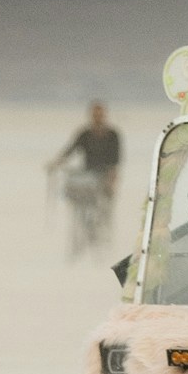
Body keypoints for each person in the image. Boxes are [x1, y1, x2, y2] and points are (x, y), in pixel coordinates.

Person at [49, 99, 126, 257]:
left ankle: (104, 239)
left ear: (104, 115)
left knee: (104, 210)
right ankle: (82, 238)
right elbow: (69, 151)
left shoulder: (113, 135)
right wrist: (55, 164)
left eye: (100, 114)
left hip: (105, 177)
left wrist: (112, 179)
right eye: (94, 114)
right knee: (79, 202)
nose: (97, 117)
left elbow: (116, 161)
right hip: (87, 176)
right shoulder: (84, 134)